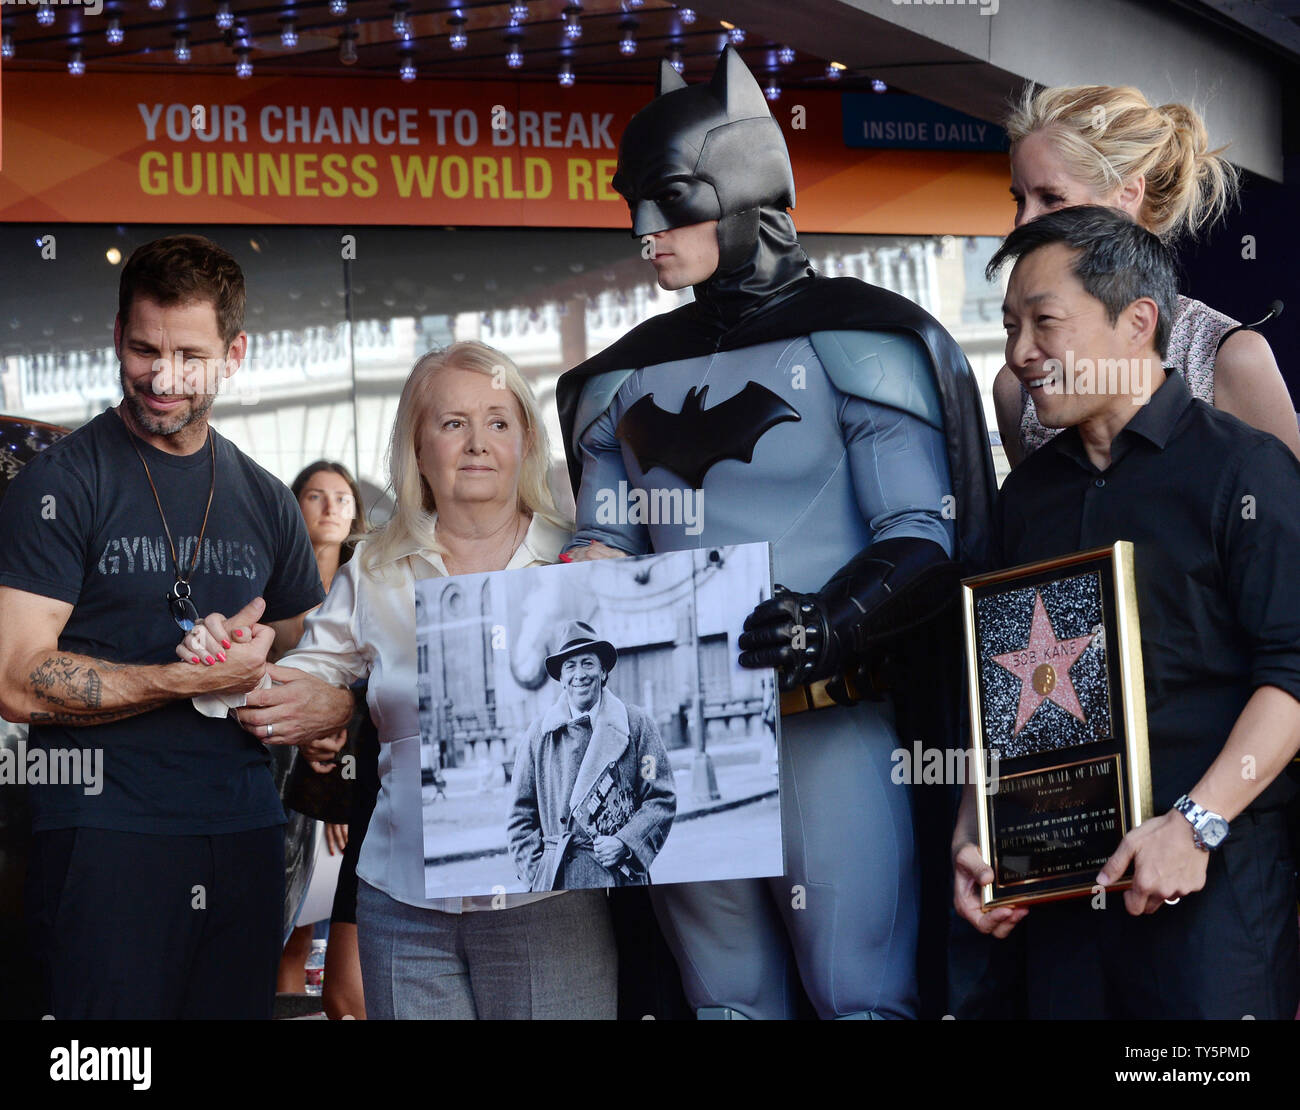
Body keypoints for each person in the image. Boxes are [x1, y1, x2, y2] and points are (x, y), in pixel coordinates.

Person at [556, 47, 996, 1019]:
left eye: (668, 199)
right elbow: (609, 544)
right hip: (676, 735)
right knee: (723, 1004)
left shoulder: (865, 340)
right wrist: (574, 584)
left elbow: (926, 536)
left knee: (862, 999)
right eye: (633, 201)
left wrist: (832, 621)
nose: (643, 229)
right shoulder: (614, 383)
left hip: (831, 725)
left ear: (744, 189)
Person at [197, 341, 619, 1019]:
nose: (477, 443)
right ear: (417, 446)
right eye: (452, 423)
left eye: (498, 422)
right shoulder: (373, 570)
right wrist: (237, 668)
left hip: (549, 899)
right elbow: (302, 680)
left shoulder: (582, 562)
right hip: (405, 903)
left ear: (527, 441)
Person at [952, 205, 1300, 1019]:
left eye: (1045, 324)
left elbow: (1293, 669)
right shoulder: (1027, 499)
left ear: (1138, 321)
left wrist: (1197, 824)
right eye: (1009, 328)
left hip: (1213, 886)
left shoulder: (1244, 470)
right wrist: (979, 840)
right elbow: (1000, 700)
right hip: (1062, 900)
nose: (1019, 356)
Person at [0, 234, 339, 1019]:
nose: (163, 376)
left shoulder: (261, 497)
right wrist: (186, 680)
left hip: (245, 831)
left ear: (235, 353)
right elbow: (17, 681)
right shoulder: (62, 484)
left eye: (190, 355)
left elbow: (312, 644)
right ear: (118, 337)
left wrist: (285, 673)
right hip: (106, 834)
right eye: (145, 348)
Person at [993, 83, 1300, 465]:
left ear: (1127, 196)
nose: (1024, 222)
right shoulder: (1016, 384)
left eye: (1051, 198)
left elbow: (1283, 517)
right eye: (1019, 199)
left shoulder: (1227, 355)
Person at [274, 461, 367, 1004]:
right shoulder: (273, 588)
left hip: (352, 777)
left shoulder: (373, 578)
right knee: (292, 931)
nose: (331, 507)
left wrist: (345, 796)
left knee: (350, 944)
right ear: (294, 504)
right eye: (315, 496)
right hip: (291, 778)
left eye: (341, 497)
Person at [509, 620, 676, 891]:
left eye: (588, 663)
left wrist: (625, 843)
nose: (580, 674)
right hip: (558, 883)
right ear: (561, 678)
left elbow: (659, 796)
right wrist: (538, 875)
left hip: (619, 877)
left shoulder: (636, 726)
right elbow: (519, 815)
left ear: (603, 671)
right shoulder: (539, 735)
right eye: (570, 666)